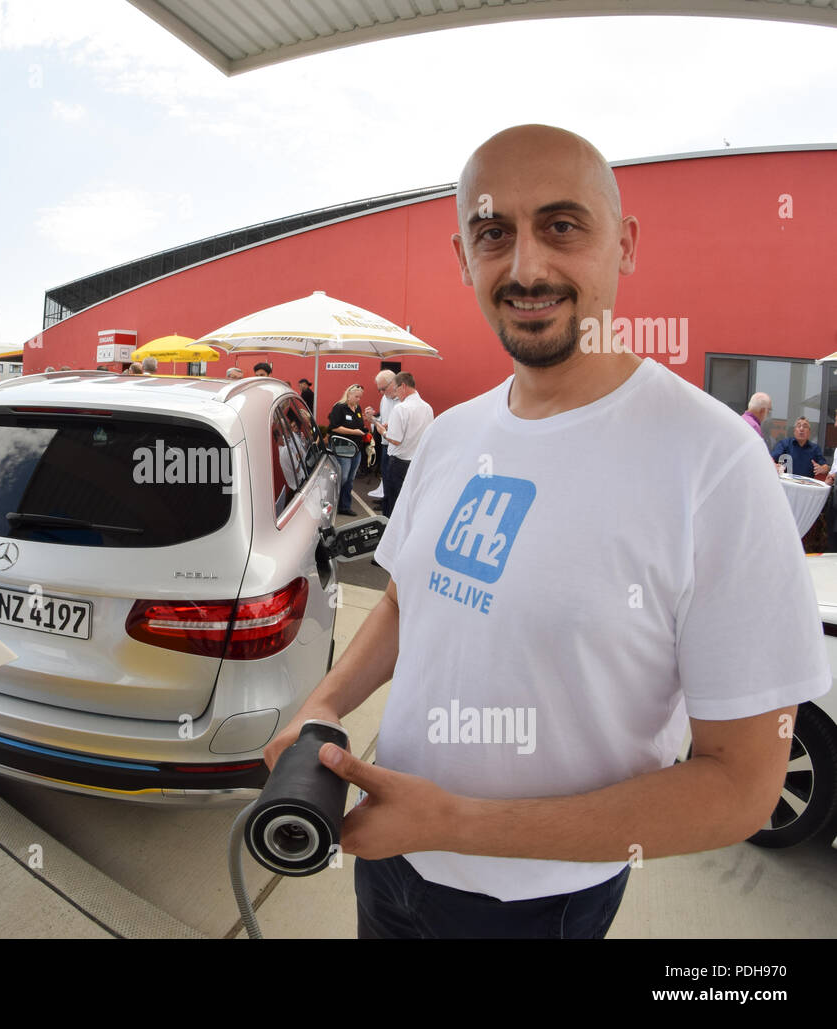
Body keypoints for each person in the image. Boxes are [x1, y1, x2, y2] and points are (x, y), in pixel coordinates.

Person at [264, 124, 828, 939]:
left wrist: (456, 823)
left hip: (538, 907)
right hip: (386, 861)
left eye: (563, 226)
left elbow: (741, 786)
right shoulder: (454, 435)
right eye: (494, 234)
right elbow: (405, 601)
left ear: (625, 244)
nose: (527, 267)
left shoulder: (714, 463)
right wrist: (322, 702)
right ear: (464, 257)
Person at [380, 372, 433, 517]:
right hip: (417, 462)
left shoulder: (401, 408)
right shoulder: (428, 408)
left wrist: (383, 432)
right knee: (410, 502)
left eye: (396, 389)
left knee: (393, 502)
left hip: (398, 463)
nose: (396, 394)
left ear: (403, 386)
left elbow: (395, 440)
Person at [327, 384, 369, 515]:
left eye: (360, 397)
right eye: (356, 396)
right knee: (343, 477)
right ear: (348, 394)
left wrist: (363, 431)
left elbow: (360, 425)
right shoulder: (339, 407)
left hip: (356, 449)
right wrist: (354, 432)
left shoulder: (357, 408)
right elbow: (334, 427)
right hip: (342, 448)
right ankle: (330, 503)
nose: (358, 399)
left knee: (350, 479)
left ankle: (345, 506)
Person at [367, 371, 399, 503]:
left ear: (393, 383)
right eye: (379, 389)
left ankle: (390, 503)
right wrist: (372, 418)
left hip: (397, 447)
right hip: (385, 443)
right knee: (385, 475)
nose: (381, 392)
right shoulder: (384, 399)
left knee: (394, 479)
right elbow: (381, 420)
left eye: (383, 388)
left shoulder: (403, 401)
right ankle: (385, 499)